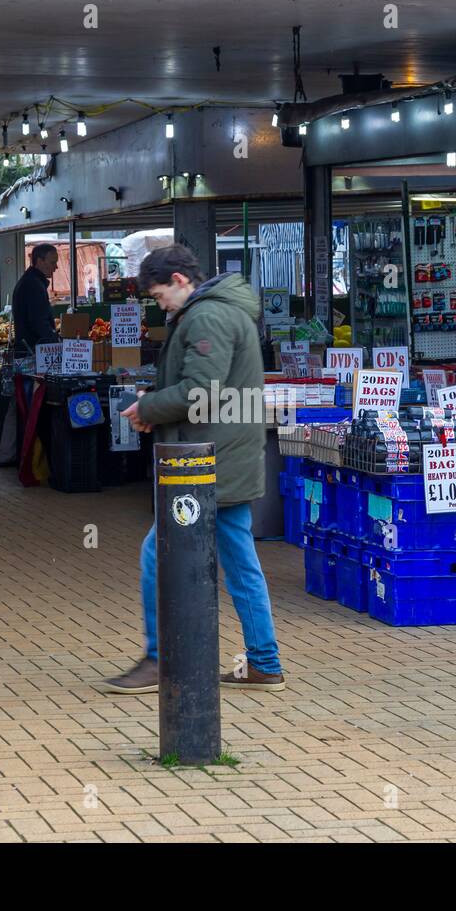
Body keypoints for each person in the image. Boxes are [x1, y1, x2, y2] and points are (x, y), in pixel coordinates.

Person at [99, 244, 285, 695]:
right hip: (226, 456)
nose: (159, 304)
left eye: (160, 294)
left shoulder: (207, 318)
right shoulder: (221, 311)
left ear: (180, 281)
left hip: (207, 463)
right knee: (241, 564)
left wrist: (149, 406)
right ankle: (264, 662)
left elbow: (202, 389)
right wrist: (156, 407)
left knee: (156, 554)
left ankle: (160, 659)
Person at [0, 243, 61, 468]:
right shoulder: (33, 286)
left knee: (18, 405)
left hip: (26, 351)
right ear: (39, 260)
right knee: (27, 405)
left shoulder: (29, 283)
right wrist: (54, 342)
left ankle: (10, 453)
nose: (55, 267)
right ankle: (23, 455)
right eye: (52, 262)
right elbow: (38, 322)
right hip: (32, 354)